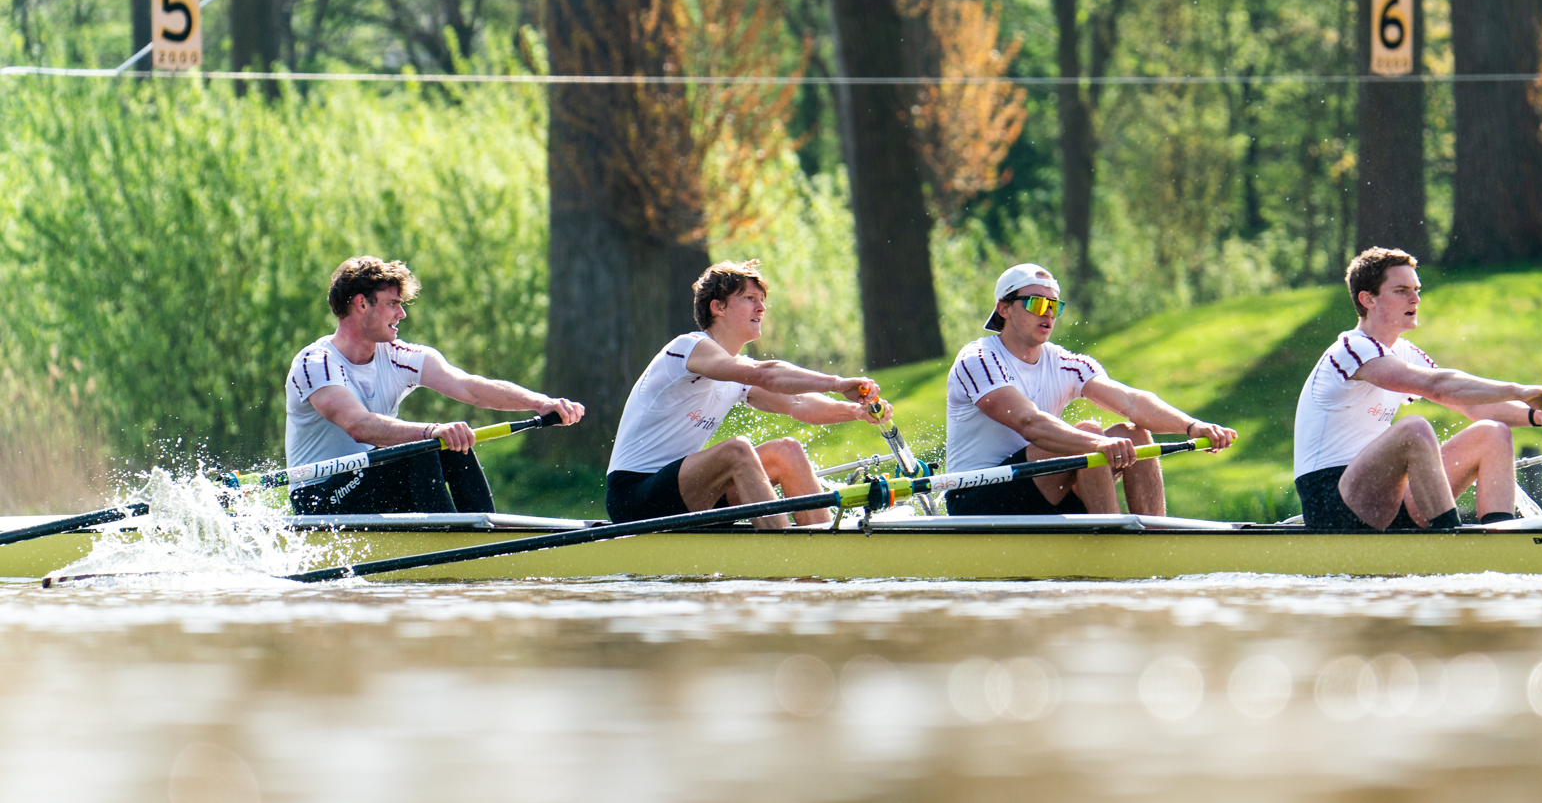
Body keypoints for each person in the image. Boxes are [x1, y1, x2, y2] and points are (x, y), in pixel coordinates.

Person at [1293, 246, 1542, 531]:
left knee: (1493, 433)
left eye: (1416, 290)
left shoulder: (1402, 351)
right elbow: (1437, 387)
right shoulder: (1351, 349)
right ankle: (1450, 537)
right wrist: (1519, 391)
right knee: (1414, 429)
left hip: (1386, 495)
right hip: (1331, 503)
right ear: (1368, 299)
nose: (1415, 299)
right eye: (1401, 291)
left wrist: (1539, 417)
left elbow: (1470, 403)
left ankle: (1502, 538)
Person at [285, 257, 585, 515]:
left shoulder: (398, 356)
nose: (401, 314)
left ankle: (486, 534)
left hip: (369, 479)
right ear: (362, 303)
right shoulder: (316, 363)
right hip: (319, 499)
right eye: (392, 304)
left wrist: (540, 403)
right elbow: (358, 426)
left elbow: (470, 388)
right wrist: (432, 431)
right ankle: (448, 541)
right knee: (425, 446)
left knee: (453, 444)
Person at [605, 260, 892, 527]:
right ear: (718, 307)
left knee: (787, 451)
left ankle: (827, 547)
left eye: (762, 300)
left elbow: (799, 402)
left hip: (686, 492)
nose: (761, 308)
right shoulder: (688, 347)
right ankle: (786, 551)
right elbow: (767, 374)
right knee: (737, 450)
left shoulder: (736, 372)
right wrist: (838, 383)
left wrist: (857, 411)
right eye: (750, 298)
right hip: (633, 497)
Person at [943, 263, 1238, 517]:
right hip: (976, 499)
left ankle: (1155, 539)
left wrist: (1192, 426)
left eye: (1054, 306)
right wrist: (1095, 443)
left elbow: (1132, 402)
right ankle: (1113, 543)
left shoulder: (1065, 362)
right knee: (1089, 433)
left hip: (1039, 489)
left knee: (1134, 434)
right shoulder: (977, 360)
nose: (1048, 314)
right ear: (1004, 308)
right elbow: (1028, 423)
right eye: (1036, 304)